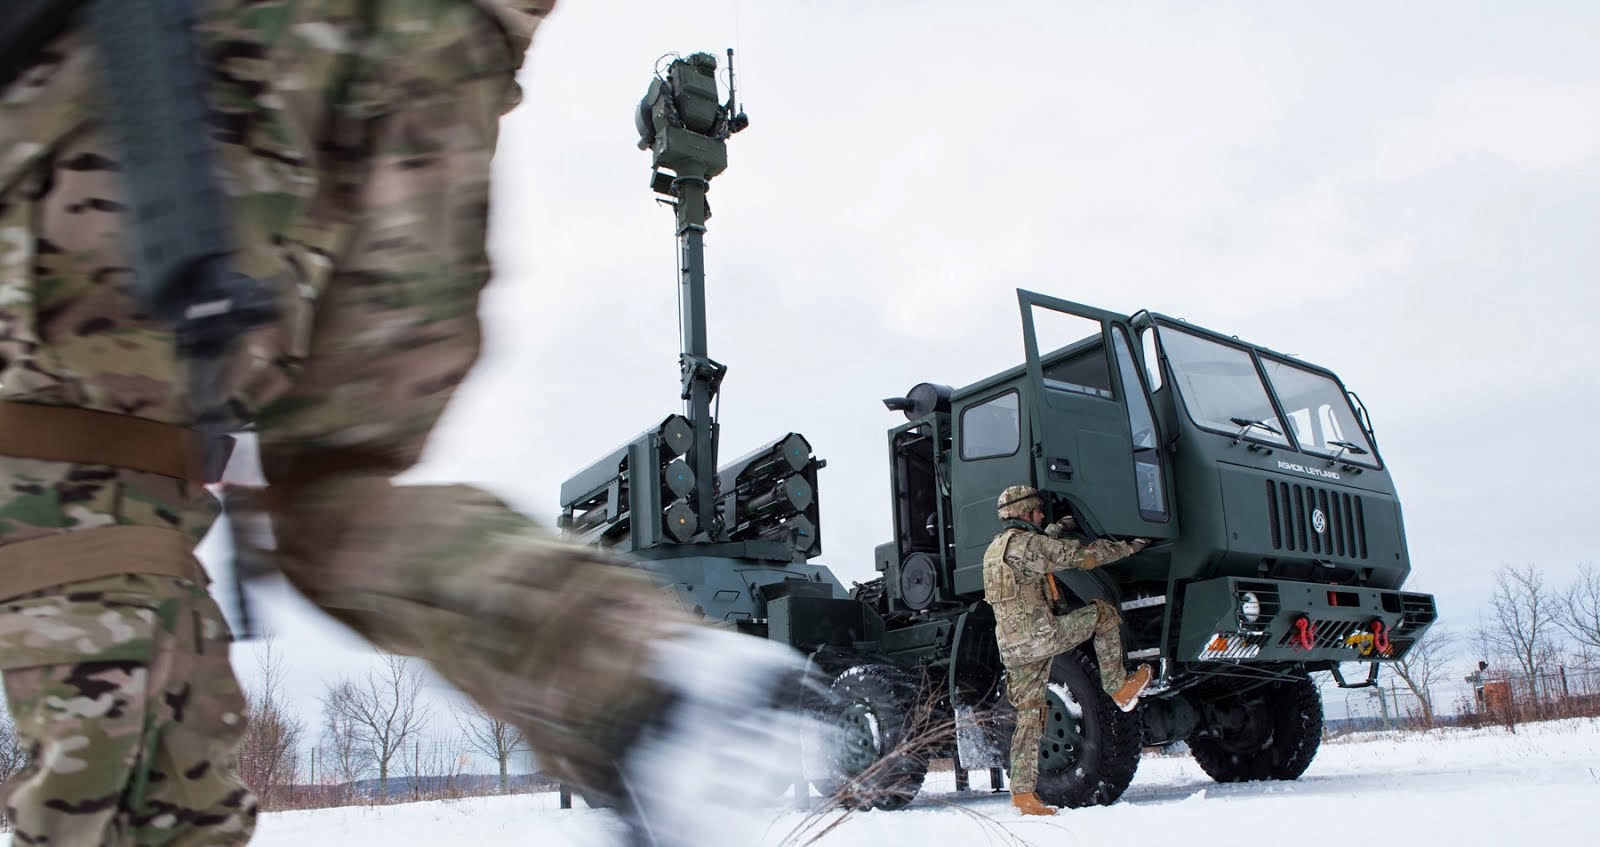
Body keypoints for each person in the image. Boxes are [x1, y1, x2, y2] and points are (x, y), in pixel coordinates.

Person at [0, 3, 804, 845]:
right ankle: (639, 673)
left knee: (76, 452)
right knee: (332, 489)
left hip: (166, 56)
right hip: (443, 46)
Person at [983, 484, 1153, 817]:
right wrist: (1129, 548)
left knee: (1029, 717)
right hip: (1043, 636)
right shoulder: (1031, 545)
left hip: (1013, 647)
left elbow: (1041, 548)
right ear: (1026, 512)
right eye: (1038, 510)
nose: (1042, 514)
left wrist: (1058, 528)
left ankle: (1023, 796)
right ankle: (1118, 687)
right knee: (1103, 614)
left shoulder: (996, 550)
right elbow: (1083, 557)